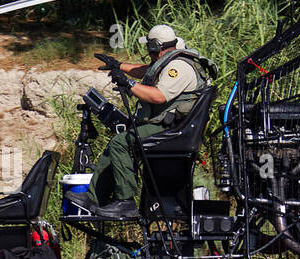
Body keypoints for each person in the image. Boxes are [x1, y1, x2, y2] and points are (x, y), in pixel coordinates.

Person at [70, 24, 210, 219]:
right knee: (117, 144)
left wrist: (128, 84)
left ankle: (125, 202)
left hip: (173, 130)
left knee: (121, 143)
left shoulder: (179, 67)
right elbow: (146, 70)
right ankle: (94, 198)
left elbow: (159, 96)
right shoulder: (169, 61)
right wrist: (117, 65)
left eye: (149, 48)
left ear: (155, 46)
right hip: (171, 127)